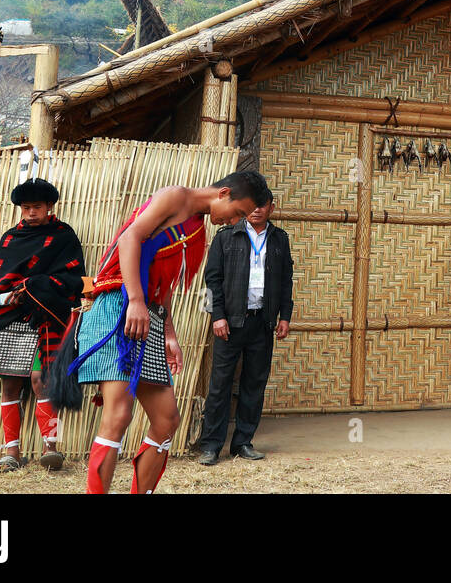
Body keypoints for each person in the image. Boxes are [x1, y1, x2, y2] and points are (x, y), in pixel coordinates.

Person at [68, 171, 270, 493]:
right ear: (224, 193)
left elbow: (162, 285)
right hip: (117, 308)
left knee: (167, 420)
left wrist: (168, 333)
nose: (235, 222)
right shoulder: (175, 196)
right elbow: (130, 238)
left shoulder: (196, 229)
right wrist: (135, 300)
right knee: (119, 416)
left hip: (146, 317)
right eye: (238, 213)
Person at [0, 177, 85, 471]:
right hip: (9, 318)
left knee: (43, 382)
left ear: (50, 206)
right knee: (10, 385)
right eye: (26, 207)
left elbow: (76, 279)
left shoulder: (64, 237)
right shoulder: (10, 238)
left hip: (47, 318)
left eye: (36, 207)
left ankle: (52, 448)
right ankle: (11, 451)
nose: (31, 212)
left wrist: (35, 285)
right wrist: (9, 295)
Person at [196, 194, 293, 465]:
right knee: (220, 384)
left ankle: (242, 443)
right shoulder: (226, 237)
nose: (257, 210)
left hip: (262, 322)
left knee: (254, 384)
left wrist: (285, 316)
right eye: (252, 205)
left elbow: (286, 281)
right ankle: (211, 446)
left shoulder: (279, 239)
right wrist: (217, 316)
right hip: (229, 322)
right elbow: (211, 280)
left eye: (263, 205)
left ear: (272, 208)